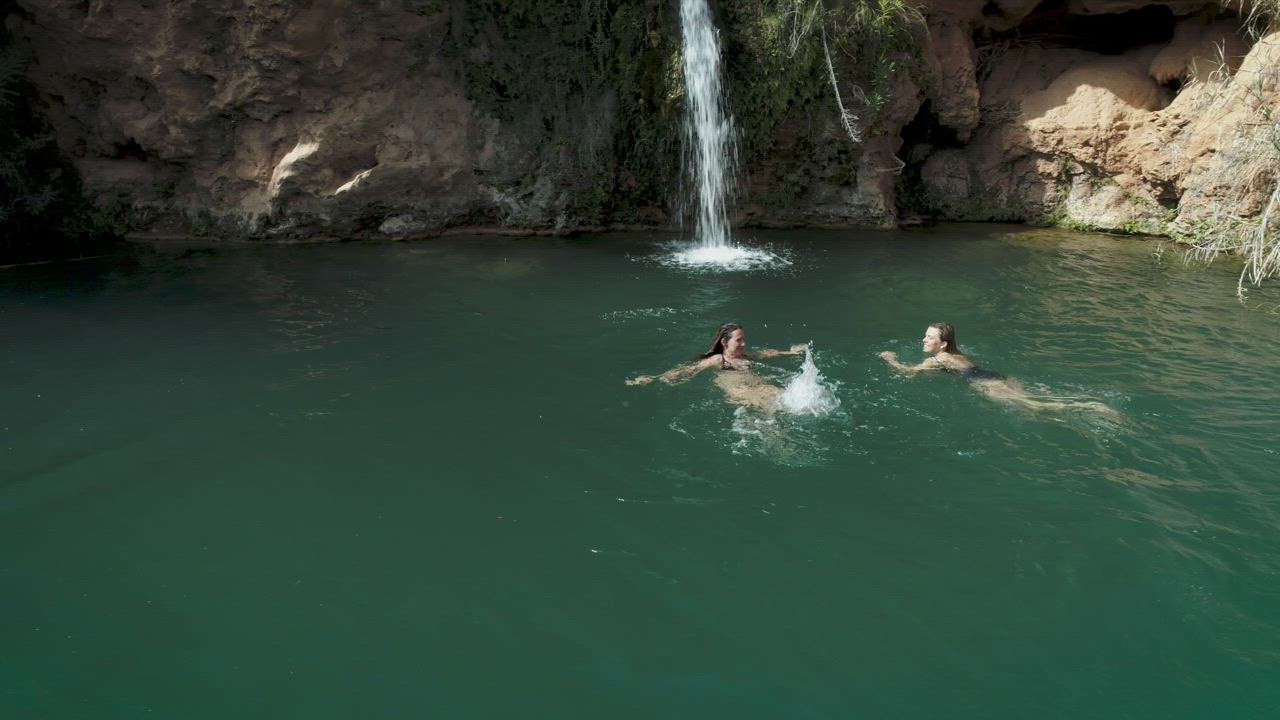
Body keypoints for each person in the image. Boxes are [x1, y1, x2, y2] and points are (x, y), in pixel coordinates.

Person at [880, 322, 1116, 414]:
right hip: (998, 377)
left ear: (942, 344)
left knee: (1036, 407)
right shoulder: (957, 353)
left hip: (988, 385)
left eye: (929, 337)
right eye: (925, 336)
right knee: (1035, 400)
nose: (923, 340)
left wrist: (890, 359)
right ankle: (1085, 404)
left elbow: (907, 373)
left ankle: (1088, 406)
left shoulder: (938, 360)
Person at [628, 322, 806, 408]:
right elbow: (688, 370)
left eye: (744, 339)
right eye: (739, 340)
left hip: (761, 386)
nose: (744, 343)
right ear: (724, 342)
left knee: (793, 399)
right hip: (741, 392)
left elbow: (767, 352)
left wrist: (790, 352)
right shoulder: (718, 360)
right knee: (777, 411)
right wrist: (654, 378)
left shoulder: (747, 356)